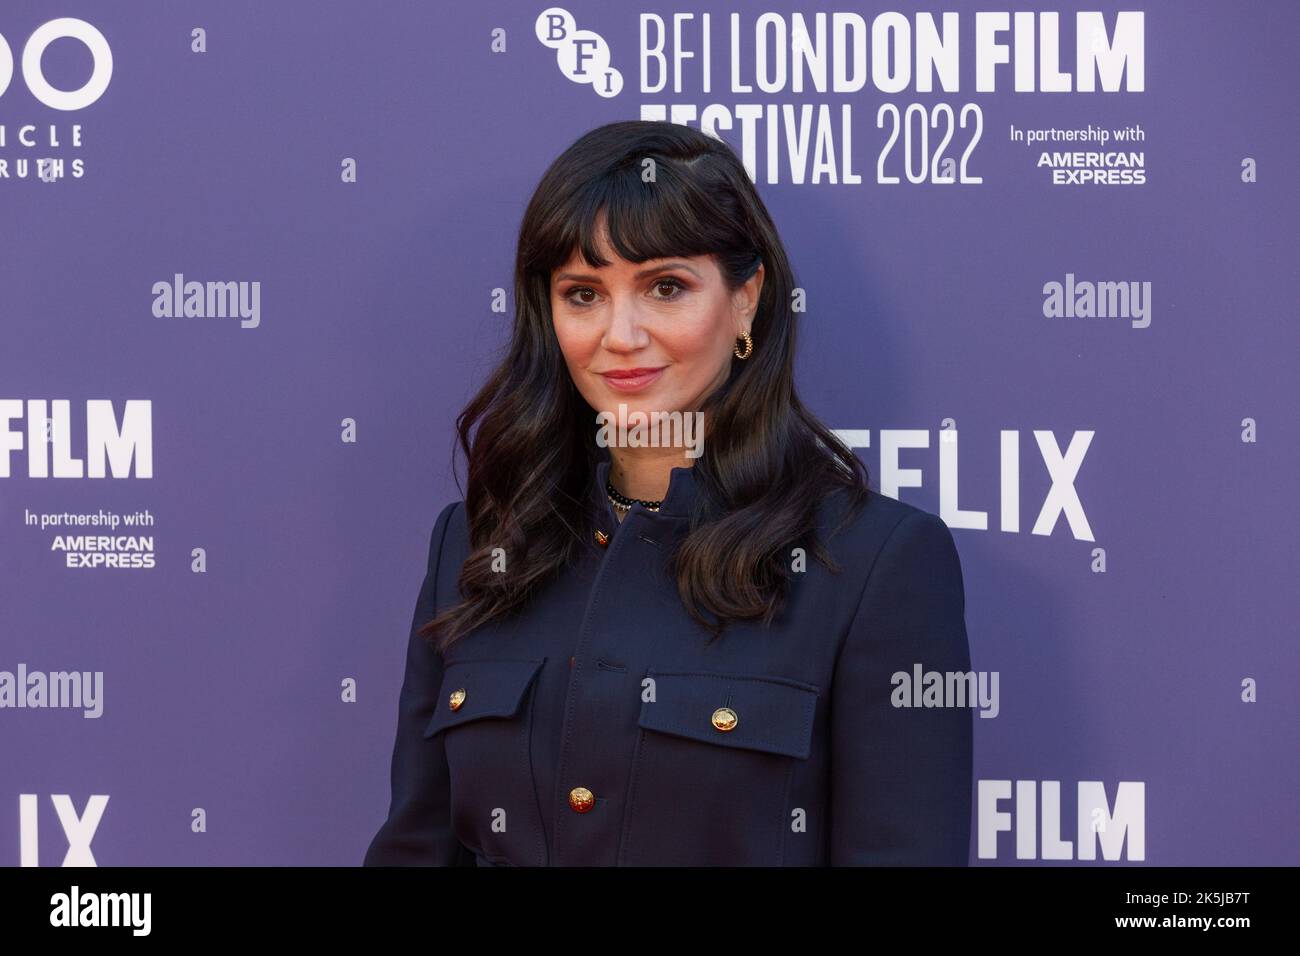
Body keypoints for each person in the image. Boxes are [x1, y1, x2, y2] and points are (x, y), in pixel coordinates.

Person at [363, 120, 972, 866]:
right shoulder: (475, 544)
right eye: (583, 294)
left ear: (746, 299)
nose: (621, 334)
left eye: (665, 287)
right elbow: (416, 850)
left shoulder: (874, 562)